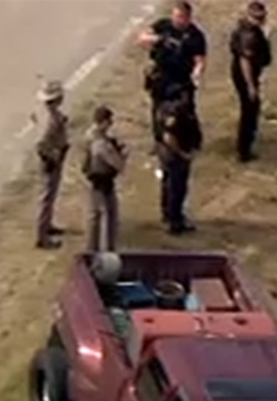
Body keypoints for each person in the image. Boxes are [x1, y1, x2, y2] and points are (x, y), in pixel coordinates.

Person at [138, 0, 207, 140]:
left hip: (182, 79)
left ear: (188, 17)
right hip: (161, 76)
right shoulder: (163, 26)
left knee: (186, 110)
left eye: (181, 17)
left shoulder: (195, 36)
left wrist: (197, 74)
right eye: (175, 16)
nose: (177, 20)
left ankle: (188, 138)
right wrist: (158, 39)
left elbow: (200, 60)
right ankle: (159, 139)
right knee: (158, 110)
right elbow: (142, 38)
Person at [154, 80, 203, 235]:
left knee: (168, 185)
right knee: (177, 188)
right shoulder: (176, 112)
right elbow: (169, 136)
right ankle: (175, 221)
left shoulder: (162, 108)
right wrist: (184, 153)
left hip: (166, 153)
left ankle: (168, 214)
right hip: (175, 155)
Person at [228, 1, 272, 163]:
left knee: (250, 110)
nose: (261, 20)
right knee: (250, 111)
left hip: (245, 74)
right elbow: (245, 61)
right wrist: (251, 86)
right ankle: (244, 150)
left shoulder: (247, 29)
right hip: (246, 76)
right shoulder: (249, 35)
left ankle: (245, 146)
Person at [82, 105, 127, 252]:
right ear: (104, 122)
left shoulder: (89, 135)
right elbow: (118, 164)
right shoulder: (101, 144)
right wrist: (123, 155)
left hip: (93, 179)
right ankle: (108, 249)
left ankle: (91, 248)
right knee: (109, 217)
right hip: (103, 182)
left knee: (94, 217)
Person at [34, 80, 71, 250]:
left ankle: (47, 225)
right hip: (51, 159)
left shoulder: (49, 114)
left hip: (54, 156)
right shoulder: (51, 119)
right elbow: (41, 144)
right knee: (47, 196)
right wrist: (53, 157)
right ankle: (42, 236)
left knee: (50, 194)